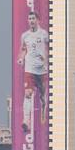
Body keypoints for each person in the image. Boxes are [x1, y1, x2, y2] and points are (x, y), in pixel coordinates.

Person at [17, 11, 49, 139]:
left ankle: (43, 109)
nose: (31, 20)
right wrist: (21, 58)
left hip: (42, 70)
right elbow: (23, 49)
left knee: (42, 96)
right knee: (28, 93)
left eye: (33, 18)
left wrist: (46, 60)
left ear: (38, 20)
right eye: (29, 18)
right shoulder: (25, 36)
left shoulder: (44, 34)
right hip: (29, 69)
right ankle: (26, 121)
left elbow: (49, 48)